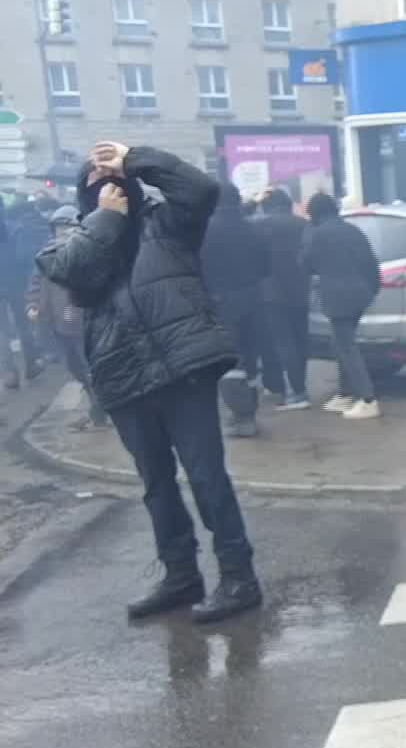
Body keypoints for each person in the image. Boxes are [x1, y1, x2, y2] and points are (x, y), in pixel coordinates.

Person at [37, 141, 263, 624]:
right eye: (97, 181)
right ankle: (180, 575)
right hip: (124, 377)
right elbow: (64, 270)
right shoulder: (76, 239)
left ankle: (238, 577)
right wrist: (105, 221)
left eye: (114, 177)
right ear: (85, 196)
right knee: (156, 484)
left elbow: (202, 189)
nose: (108, 186)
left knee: (207, 477)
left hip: (182, 368)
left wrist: (134, 156)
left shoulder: (166, 225)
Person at [299, 192, 382, 420]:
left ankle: (368, 399)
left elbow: (305, 264)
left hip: (339, 298)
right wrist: (371, 291)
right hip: (360, 294)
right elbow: (372, 265)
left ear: (314, 213)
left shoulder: (318, 234)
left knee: (345, 346)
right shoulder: (353, 231)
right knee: (339, 343)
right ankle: (346, 393)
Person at [25, 204, 108, 429]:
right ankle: (96, 407)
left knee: (91, 370)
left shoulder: (87, 250)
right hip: (58, 324)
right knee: (75, 368)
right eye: (59, 228)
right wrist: (33, 304)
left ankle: (99, 412)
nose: (63, 232)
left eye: (67, 227)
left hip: (83, 324)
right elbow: (36, 281)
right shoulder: (47, 252)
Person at [199, 182, 271, 437]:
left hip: (220, 302)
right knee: (251, 359)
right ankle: (249, 410)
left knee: (229, 360)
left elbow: (198, 269)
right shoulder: (254, 228)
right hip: (253, 299)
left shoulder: (205, 230)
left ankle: (241, 416)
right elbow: (266, 267)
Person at [254, 187, 311, 410]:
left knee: (283, 342)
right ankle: (301, 386)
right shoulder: (303, 224)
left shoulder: (259, 226)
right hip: (300, 289)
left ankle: (296, 392)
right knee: (300, 340)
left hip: (271, 292)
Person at [1, 191, 51, 387]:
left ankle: (8, 373)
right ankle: (32, 362)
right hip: (15, 282)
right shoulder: (14, 229)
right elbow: (25, 258)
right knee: (23, 323)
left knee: (1, 330)